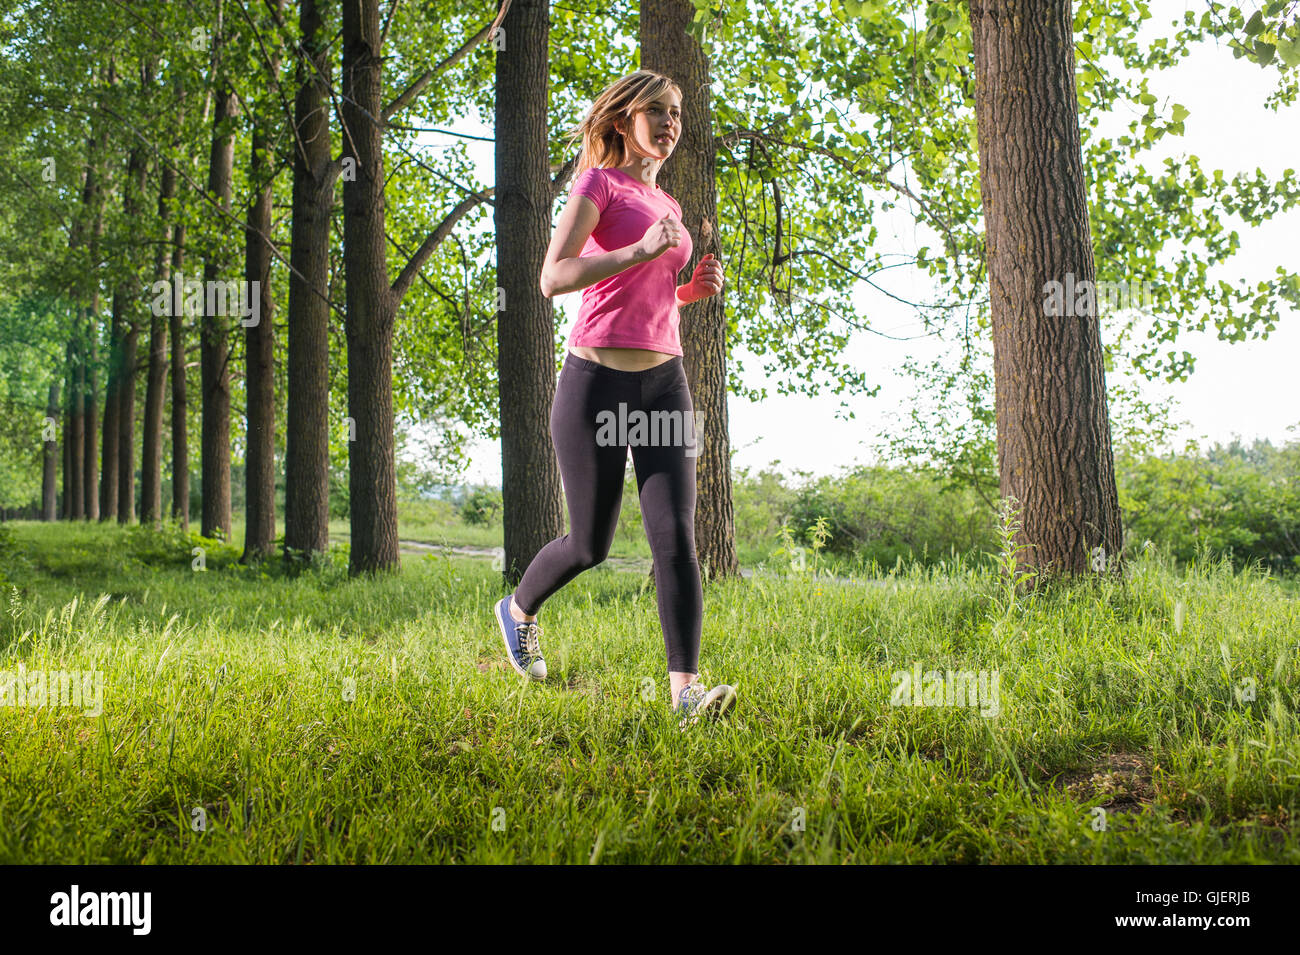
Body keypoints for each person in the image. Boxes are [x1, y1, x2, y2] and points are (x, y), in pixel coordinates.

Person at [492, 69, 735, 726]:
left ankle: (685, 692)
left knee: (676, 539)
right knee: (590, 543)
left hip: (664, 384)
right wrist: (637, 248)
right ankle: (517, 613)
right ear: (624, 118)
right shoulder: (597, 184)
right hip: (595, 383)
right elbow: (554, 277)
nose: (669, 123)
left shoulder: (673, 208)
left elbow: (650, 299)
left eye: (677, 113)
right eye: (656, 111)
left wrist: (690, 291)